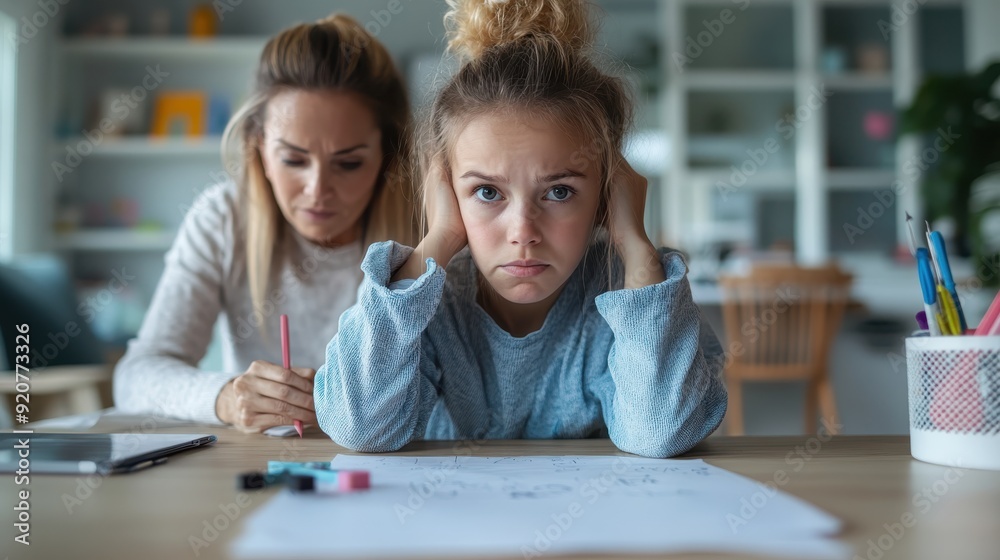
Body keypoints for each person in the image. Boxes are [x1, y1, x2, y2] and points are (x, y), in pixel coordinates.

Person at [314, 0, 727, 458]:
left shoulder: (633, 301)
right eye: (488, 193)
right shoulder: (428, 305)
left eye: (560, 192)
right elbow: (359, 427)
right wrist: (440, 237)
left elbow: (661, 432)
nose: (523, 232)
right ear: (448, 192)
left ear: (608, 192)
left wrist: (635, 246)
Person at [113, 14, 417, 433]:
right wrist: (228, 397)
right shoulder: (223, 218)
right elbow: (136, 376)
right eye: (293, 159)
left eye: (348, 163)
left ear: (388, 155)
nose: (317, 190)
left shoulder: (425, 232)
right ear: (258, 148)